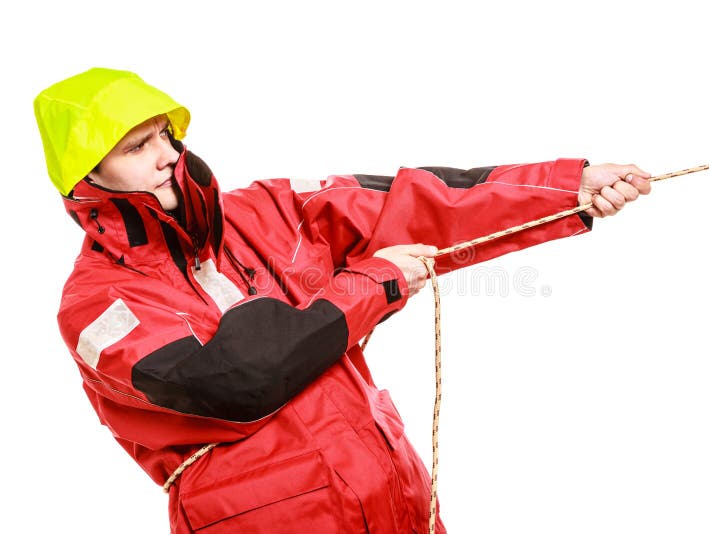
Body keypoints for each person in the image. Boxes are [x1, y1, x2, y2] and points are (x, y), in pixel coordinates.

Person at [34, 67, 651, 533]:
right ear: (88, 177)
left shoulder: (269, 211)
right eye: (136, 147)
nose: (169, 155)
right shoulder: (95, 306)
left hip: (396, 503)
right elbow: (235, 378)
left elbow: (416, 204)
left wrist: (568, 187)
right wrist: (369, 286)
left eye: (164, 135)